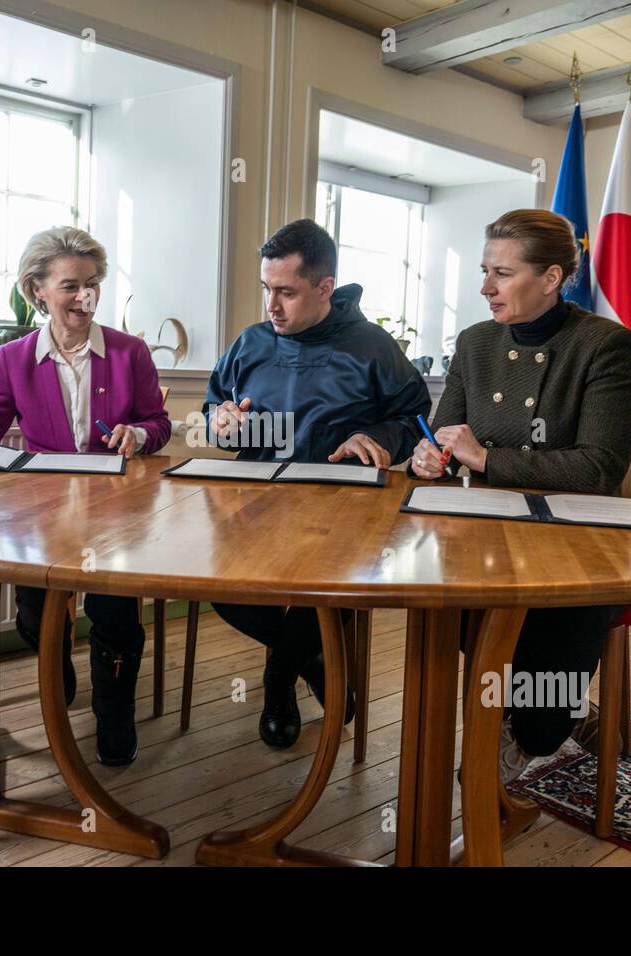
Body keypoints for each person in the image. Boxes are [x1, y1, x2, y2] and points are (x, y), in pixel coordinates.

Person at [0, 226, 170, 767]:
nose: (84, 297)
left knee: (117, 620)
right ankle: (56, 665)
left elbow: (159, 422)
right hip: (40, 514)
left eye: (91, 285)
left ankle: (114, 717)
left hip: (113, 514)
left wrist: (140, 434)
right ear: (37, 290)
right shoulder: (12, 358)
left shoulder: (130, 353)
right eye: (69, 286)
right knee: (34, 616)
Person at [410, 208, 631, 783]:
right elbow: (446, 433)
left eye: (502, 274)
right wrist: (428, 457)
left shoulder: (605, 344)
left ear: (553, 277)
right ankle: (533, 712)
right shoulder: (475, 342)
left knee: (541, 709)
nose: (484, 287)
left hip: (577, 543)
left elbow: (600, 467)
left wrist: (487, 458)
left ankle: (541, 720)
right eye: (485, 271)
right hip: (486, 533)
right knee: (438, 613)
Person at [204, 218, 432, 750]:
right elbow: (214, 403)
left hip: (342, 512)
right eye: (267, 290)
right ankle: (317, 661)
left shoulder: (373, 347)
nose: (271, 306)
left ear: (325, 288)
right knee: (220, 589)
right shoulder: (251, 343)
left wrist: (374, 435)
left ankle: (278, 682)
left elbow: (413, 418)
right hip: (256, 502)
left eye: (286, 292)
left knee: (322, 594)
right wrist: (218, 420)